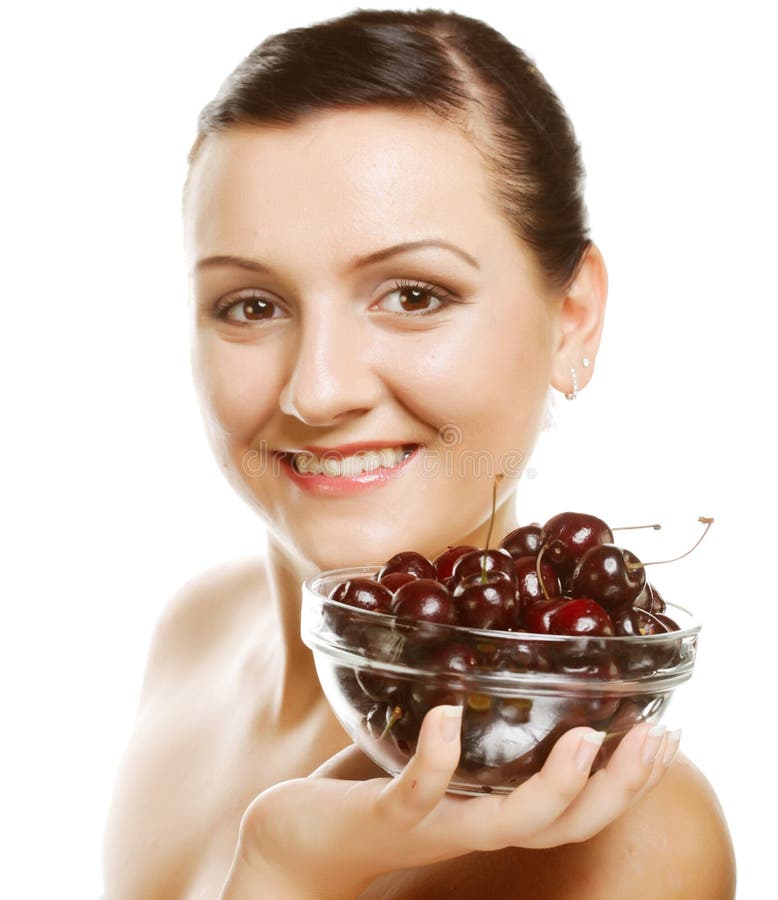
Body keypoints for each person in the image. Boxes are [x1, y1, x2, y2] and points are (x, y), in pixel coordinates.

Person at [101, 8, 736, 898]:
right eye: (250, 304)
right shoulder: (197, 635)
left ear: (572, 321)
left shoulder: (626, 840)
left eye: (413, 294)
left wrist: (282, 877)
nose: (317, 390)